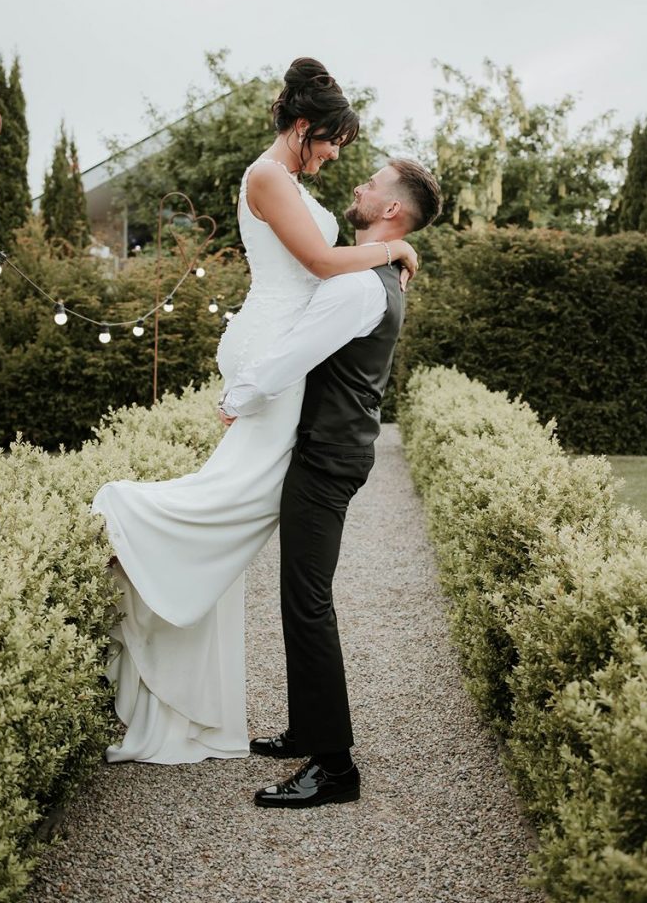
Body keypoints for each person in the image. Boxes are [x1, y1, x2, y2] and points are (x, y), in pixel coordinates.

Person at [90, 57, 419, 764]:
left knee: (256, 489)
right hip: (271, 342)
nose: (335, 155)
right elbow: (324, 262)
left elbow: (324, 261)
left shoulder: (289, 178)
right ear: (303, 127)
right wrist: (393, 246)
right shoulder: (268, 176)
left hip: (277, 344)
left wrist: (387, 251)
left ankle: (162, 575)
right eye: (331, 140)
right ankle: (130, 522)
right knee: (243, 489)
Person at [217, 159, 442, 807]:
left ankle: (334, 767)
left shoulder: (360, 284)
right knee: (301, 598)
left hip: (326, 454)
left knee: (307, 602)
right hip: (336, 447)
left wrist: (239, 395)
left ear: (392, 212)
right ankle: (305, 730)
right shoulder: (378, 272)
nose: (359, 187)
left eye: (372, 184)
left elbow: (294, 353)